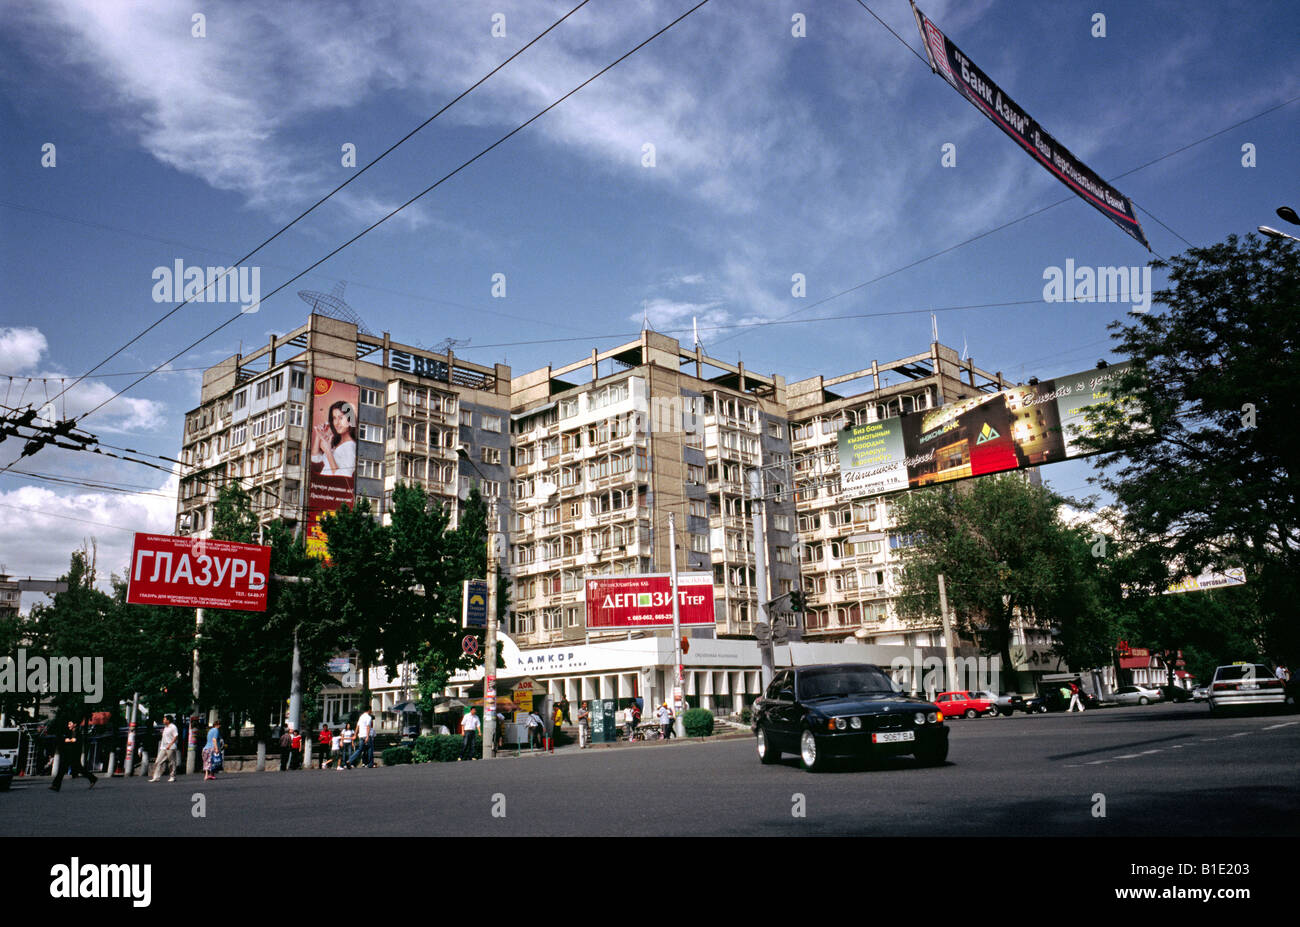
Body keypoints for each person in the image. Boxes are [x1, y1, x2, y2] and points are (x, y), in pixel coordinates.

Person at [311, 399, 357, 478]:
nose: (336, 423)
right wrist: (319, 435)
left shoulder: (351, 446)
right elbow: (315, 458)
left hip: (333, 487)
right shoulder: (335, 442)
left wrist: (328, 452)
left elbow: (344, 476)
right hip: (324, 487)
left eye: (341, 418)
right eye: (334, 418)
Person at [50, 720, 97, 792]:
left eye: (70, 724)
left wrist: (67, 740)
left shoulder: (77, 732)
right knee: (74, 768)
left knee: (64, 769)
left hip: (74, 755)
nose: (68, 725)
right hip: (70, 754)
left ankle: (56, 785)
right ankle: (92, 778)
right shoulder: (71, 732)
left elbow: (75, 740)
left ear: (74, 724)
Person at [150, 715, 179, 782]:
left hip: (171, 747)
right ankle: (156, 777)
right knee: (158, 761)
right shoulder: (165, 727)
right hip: (163, 747)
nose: (163, 720)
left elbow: (176, 736)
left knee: (171, 762)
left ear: (168, 720)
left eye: (164, 719)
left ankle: (173, 776)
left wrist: (170, 744)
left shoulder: (173, 727)